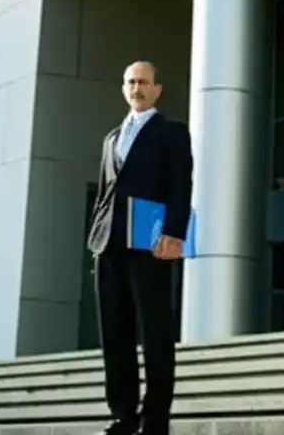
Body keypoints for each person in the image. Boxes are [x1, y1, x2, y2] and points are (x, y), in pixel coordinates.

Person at [87, 61, 193, 435]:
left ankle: (156, 419)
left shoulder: (172, 133)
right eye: (131, 81)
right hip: (109, 246)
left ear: (157, 89)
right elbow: (104, 192)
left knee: (155, 333)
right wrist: (95, 237)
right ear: (124, 88)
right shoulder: (111, 138)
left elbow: (182, 186)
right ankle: (122, 416)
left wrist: (175, 234)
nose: (137, 87)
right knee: (114, 335)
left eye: (144, 82)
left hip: (150, 246)